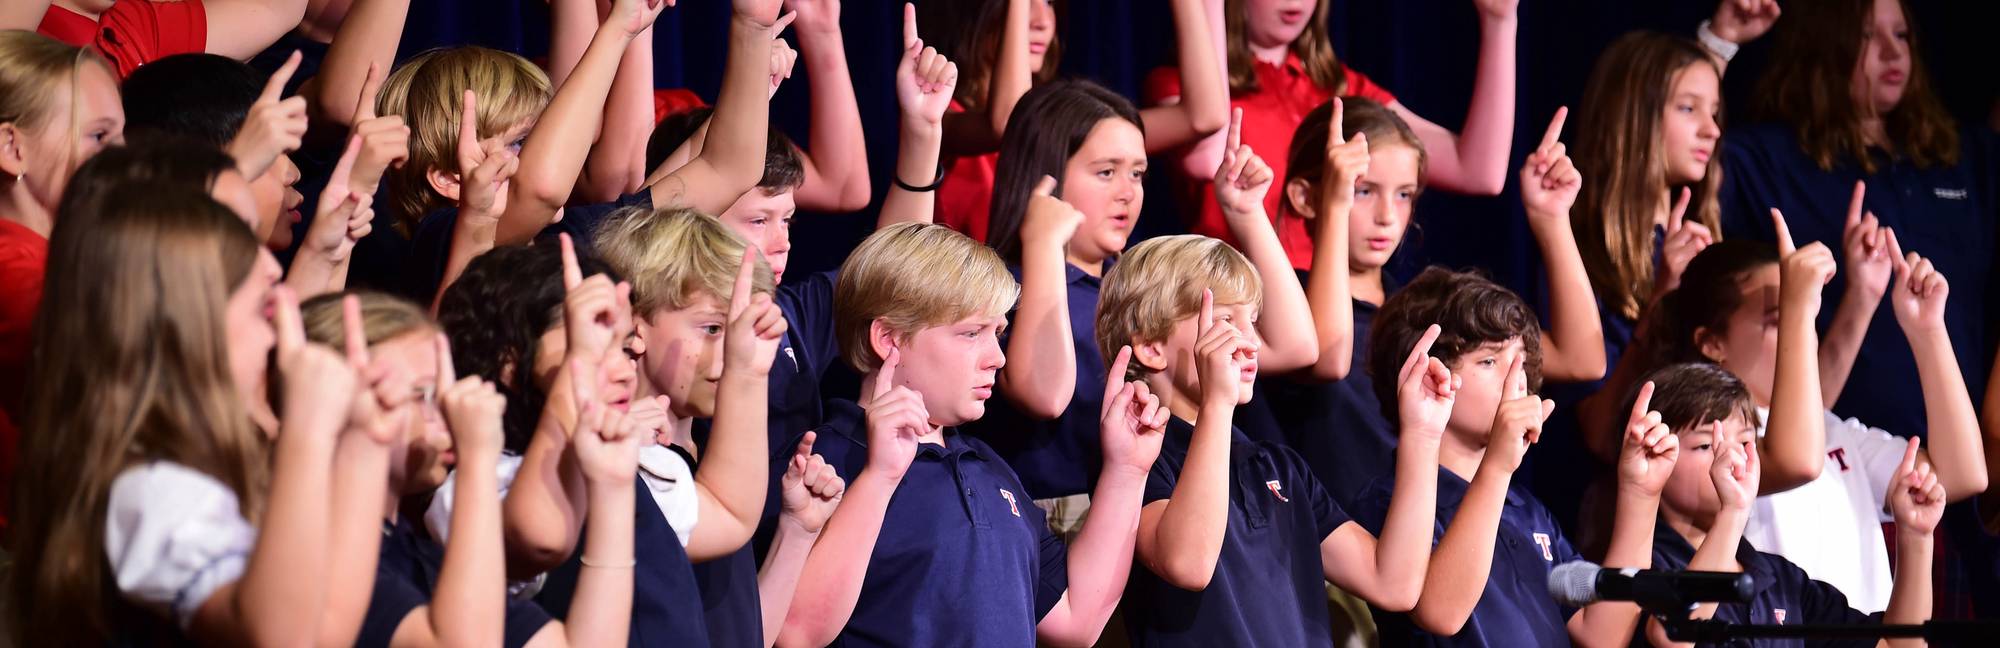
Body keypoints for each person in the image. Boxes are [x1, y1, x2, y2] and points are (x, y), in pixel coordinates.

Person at [6, 189, 406, 645]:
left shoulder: (205, 446)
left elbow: (329, 620)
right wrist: (330, 437)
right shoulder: (151, 489)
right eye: (263, 307)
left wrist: (362, 441)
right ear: (188, 324)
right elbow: (291, 637)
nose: (276, 330)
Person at [776, 223, 1166, 647]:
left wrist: (1127, 470)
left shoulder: (989, 469)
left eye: (998, 333)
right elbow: (794, 634)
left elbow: (1078, 619)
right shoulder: (821, 461)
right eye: (971, 333)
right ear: (889, 339)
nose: (997, 358)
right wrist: (879, 479)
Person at [966, 80, 1315, 539]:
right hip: (1053, 528)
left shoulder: (1141, 289)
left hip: (1155, 508)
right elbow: (1046, 395)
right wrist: (1045, 244)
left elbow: (1294, 348)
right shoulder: (1000, 290)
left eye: (1138, 174)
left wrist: (1247, 214)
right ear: (1044, 177)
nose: (1128, 193)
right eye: (1106, 172)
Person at [1097, 234, 1454, 645]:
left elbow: (1393, 584)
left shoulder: (1277, 465)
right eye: (1227, 321)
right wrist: (1217, 404)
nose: (1250, 341)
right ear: (1150, 346)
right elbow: (1188, 563)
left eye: (1254, 320)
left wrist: (1423, 435)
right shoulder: (1135, 455)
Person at [1252, 97, 1603, 506]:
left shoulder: (1420, 314)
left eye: (1404, 195)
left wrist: (1551, 219)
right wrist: (1335, 203)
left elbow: (1583, 360)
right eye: (1363, 191)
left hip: (1429, 533)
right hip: (1340, 554)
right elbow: (1329, 355)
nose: (1387, 215)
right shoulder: (1284, 311)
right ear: (1305, 197)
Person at [1645, 232, 1986, 611]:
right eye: (1781, 317)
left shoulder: (1835, 429)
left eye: (1804, 309)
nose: (1802, 323)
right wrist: (1801, 306)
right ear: (1711, 343)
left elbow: (1962, 476)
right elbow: (1798, 461)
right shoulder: (1712, 439)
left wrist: (1928, 331)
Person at [301, 291, 642, 647]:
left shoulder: (414, 552)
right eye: (423, 396)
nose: (449, 411)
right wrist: (477, 459)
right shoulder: (320, 553)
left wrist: (612, 488)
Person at [1720, 0, 1996, 440]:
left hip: (1954, 461)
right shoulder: (1768, 160)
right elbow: (1679, 153)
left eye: (1901, 35)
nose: (1892, 52)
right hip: (1839, 458)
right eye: (1867, 36)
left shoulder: (1961, 157)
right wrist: (1719, 44)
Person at [382, 0, 782, 302]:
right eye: (522, 142)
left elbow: (725, 169)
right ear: (450, 180)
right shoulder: (440, 238)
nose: (551, 152)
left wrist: (753, 28)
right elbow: (539, 190)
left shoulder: (565, 239)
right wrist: (619, 29)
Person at [1356, 267, 1669, 647]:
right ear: (1428, 376)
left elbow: (1600, 632)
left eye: (1521, 360)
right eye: (1489, 361)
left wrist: (1641, 495)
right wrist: (1499, 466)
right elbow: (1440, 614)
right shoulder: (1392, 502)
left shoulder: (1525, 509)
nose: (1516, 379)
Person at [592, 208, 836, 648]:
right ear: (634, 321)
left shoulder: (710, 463)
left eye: (740, 327)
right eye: (712, 327)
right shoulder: (619, 460)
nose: (735, 347)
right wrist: (746, 374)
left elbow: (742, 635)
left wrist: (797, 533)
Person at [1149, 0, 1517, 271]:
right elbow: (1208, 156)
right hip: (1240, 306)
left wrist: (1499, 21)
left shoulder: (1339, 88)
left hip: (1330, 304)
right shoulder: (1186, 91)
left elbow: (1477, 171)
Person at [1632, 362, 1939, 648]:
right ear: (1653, 455)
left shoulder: (1781, 580)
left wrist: (1916, 537)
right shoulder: (1643, 564)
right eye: (1705, 445)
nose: (1732, 458)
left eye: (1745, 443)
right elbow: (1671, 637)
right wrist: (1734, 511)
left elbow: (1897, 644)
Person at [923, 0, 1228, 242]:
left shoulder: (1058, 123)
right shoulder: (940, 115)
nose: (1041, 21)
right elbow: (1010, 123)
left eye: (1049, 2)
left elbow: (1203, 116)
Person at [0, 31, 123, 525]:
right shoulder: (13, 268)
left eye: (121, 136)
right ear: (12, 147)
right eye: (99, 136)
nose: (122, 156)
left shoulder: (64, 254)